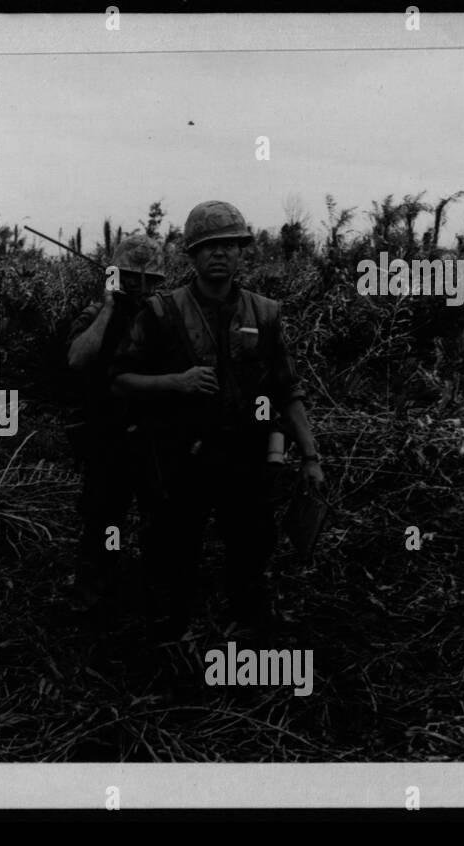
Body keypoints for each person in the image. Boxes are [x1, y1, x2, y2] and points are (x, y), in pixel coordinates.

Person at [109, 201, 325, 638]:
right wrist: (177, 382)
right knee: (172, 548)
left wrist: (310, 456)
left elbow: (288, 390)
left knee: (252, 544)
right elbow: (119, 379)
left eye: (229, 245)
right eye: (209, 247)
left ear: (242, 252)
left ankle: (247, 627)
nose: (220, 254)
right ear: (191, 254)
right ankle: (170, 634)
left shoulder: (264, 313)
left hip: (245, 456)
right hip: (178, 456)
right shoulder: (160, 312)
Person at [64, 234, 166, 615]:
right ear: (115, 277)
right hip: (106, 435)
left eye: (147, 280)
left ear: (158, 282)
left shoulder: (167, 317)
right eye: (129, 278)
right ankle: (95, 590)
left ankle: (151, 592)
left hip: (155, 436)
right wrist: (109, 308)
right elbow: (77, 360)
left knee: (159, 517)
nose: (138, 287)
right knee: (105, 519)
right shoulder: (96, 314)